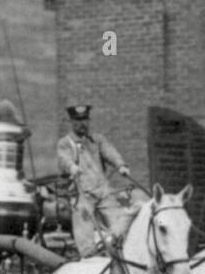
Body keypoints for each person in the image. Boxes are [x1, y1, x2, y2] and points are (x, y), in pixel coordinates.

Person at [56, 104, 145, 256]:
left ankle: (122, 253)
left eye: (85, 120)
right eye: (78, 121)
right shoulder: (65, 143)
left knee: (119, 223)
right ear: (71, 122)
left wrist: (121, 165)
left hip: (103, 191)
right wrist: (71, 167)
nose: (82, 124)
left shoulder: (96, 140)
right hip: (82, 194)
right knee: (84, 232)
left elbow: (110, 152)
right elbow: (63, 158)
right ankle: (88, 258)